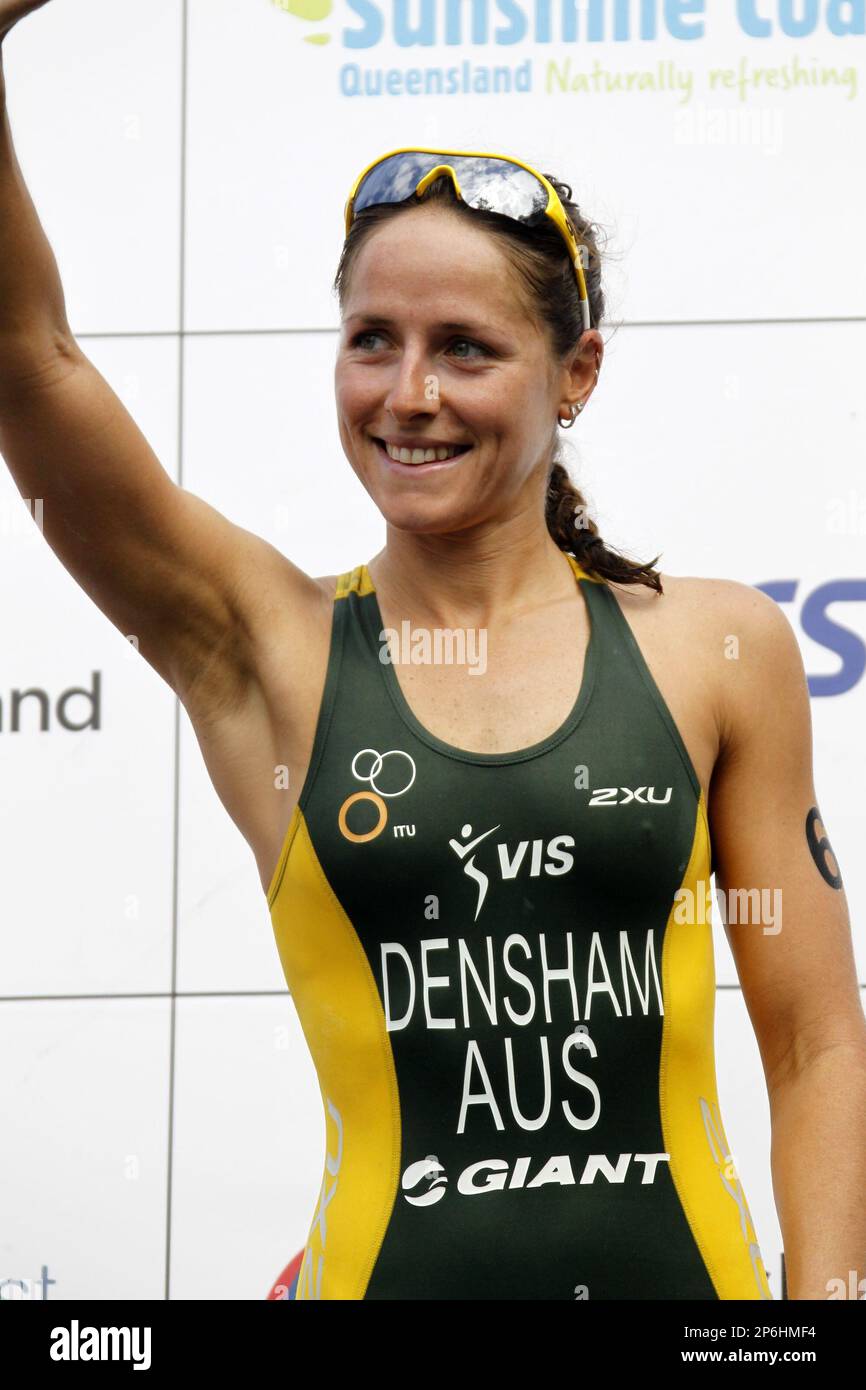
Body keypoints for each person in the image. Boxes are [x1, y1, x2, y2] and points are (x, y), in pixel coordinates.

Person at [2, 3, 865, 1304]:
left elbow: (810, 1043)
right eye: (373, 341)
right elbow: (29, 360)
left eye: (465, 347)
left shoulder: (719, 645)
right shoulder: (267, 645)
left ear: (573, 372)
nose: (408, 394)